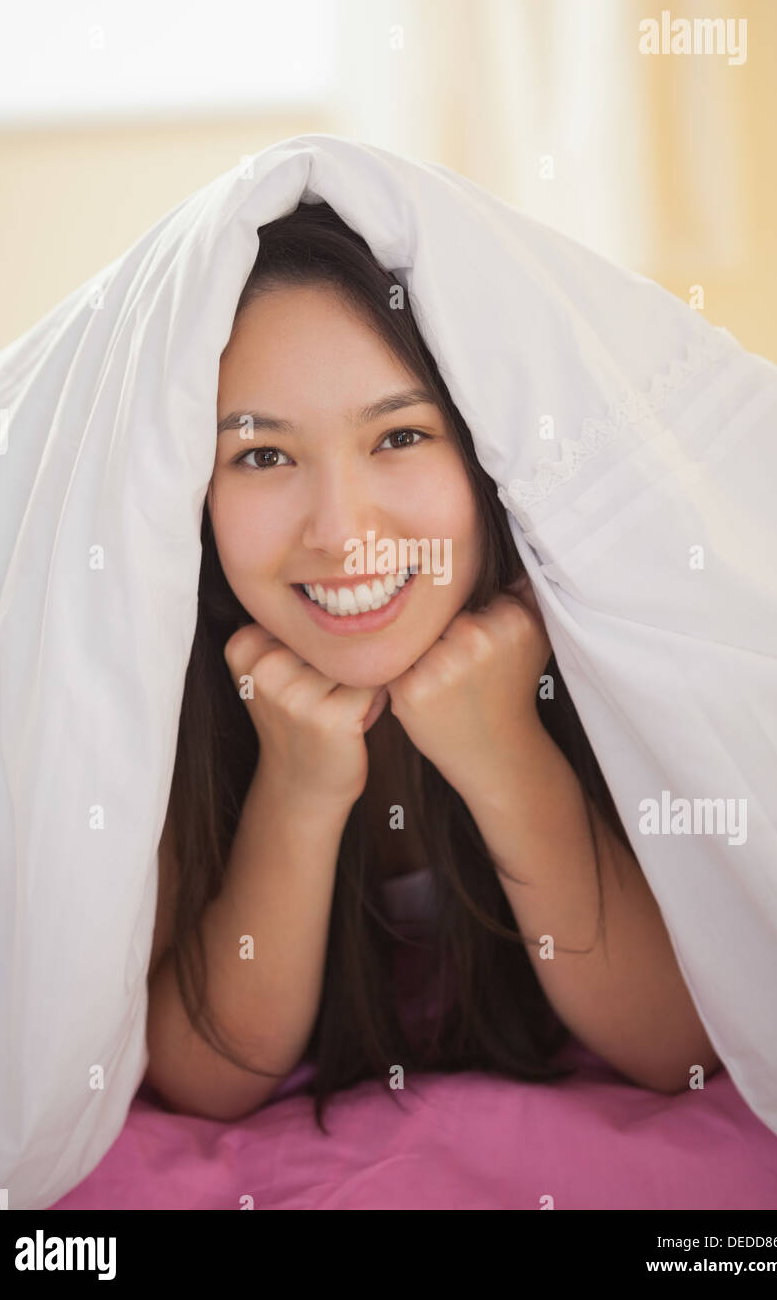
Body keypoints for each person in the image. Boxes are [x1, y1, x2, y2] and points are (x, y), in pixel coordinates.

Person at [142, 200, 721, 1130]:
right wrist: (297, 788)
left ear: (492, 448)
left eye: (400, 436)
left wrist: (504, 750)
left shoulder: (612, 645)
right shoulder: (156, 692)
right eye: (262, 454)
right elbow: (206, 1079)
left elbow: (678, 1048)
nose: (342, 533)